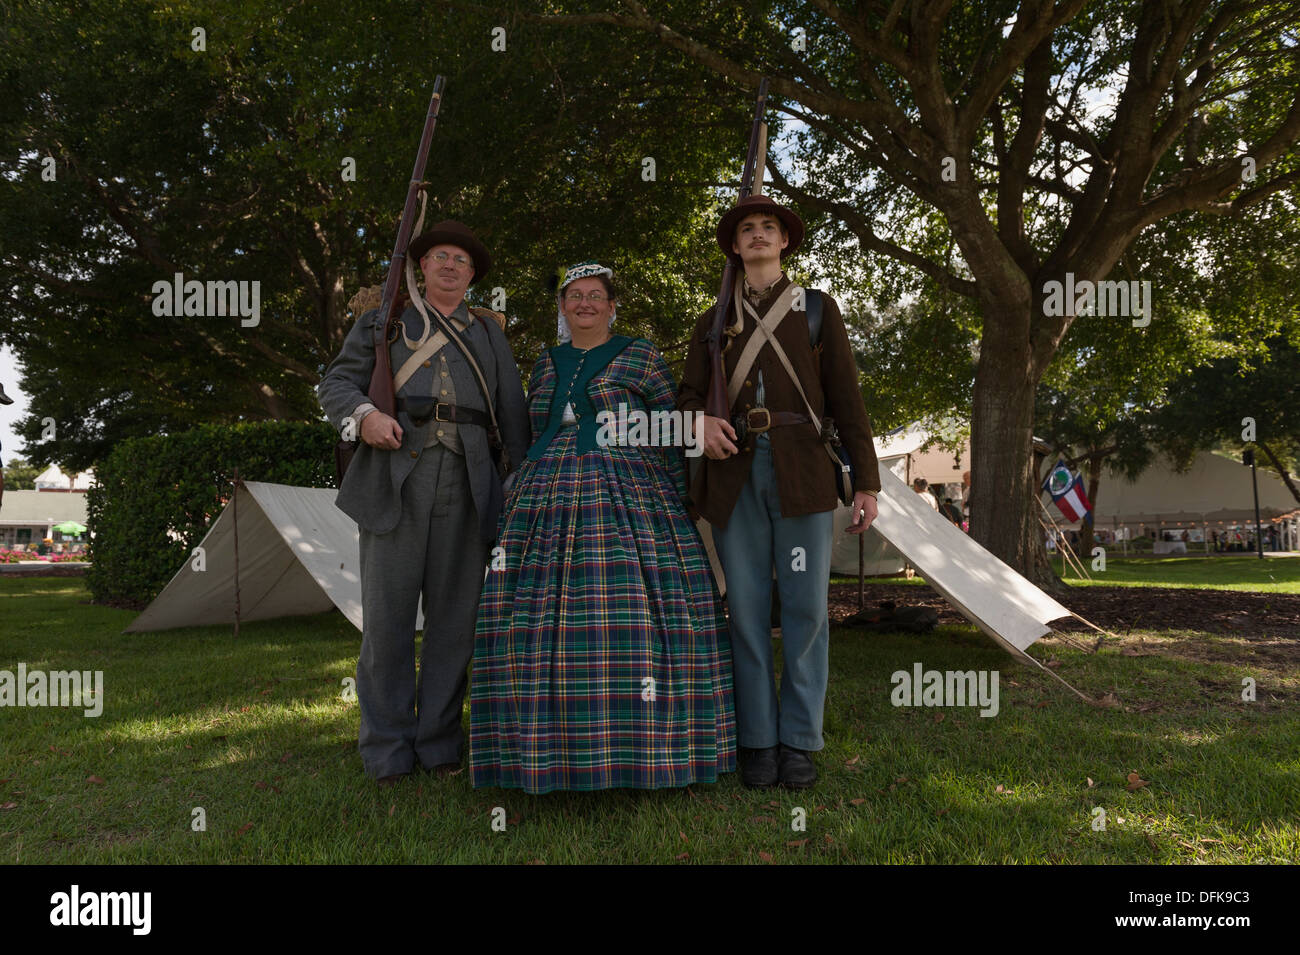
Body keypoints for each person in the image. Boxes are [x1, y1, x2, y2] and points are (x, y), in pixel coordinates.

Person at [470, 262, 736, 794]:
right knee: (534, 618)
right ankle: (548, 751)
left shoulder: (640, 354)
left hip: (630, 484)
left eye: (595, 296)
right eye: (575, 296)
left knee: (631, 616)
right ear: (564, 307)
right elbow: (534, 424)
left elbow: (668, 423)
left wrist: (678, 494)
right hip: (545, 489)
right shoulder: (545, 361)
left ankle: (645, 748)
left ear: (612, 306)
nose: (585, 304)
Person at [677, 195, 881, 789]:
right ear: (735, 246)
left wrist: (866, 480)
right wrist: (700, 423)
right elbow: (688, 396)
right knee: (743, 612)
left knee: (805, 610)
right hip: (735, 473)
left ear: (785, 241)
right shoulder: (711, 320)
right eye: (748, 229)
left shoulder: (818, 310)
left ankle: (798, 740)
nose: (759, 235)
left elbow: (847, 399)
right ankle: (756, 740)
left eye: (769, 227)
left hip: (805, 472)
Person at [316, 220, 529, 785]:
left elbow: (512, 412)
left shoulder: (488, 332)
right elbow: (335, 386)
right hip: (395, 477)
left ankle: (438, 744)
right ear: (422, 266)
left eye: (461, 259)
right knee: (386, 624)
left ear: (472, 275)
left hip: (469, 482)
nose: (451, 266)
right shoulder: (383, 320)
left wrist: (519, 480)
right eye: (441, 256)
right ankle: (386, 749)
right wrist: (365, 419)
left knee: (455, 625)